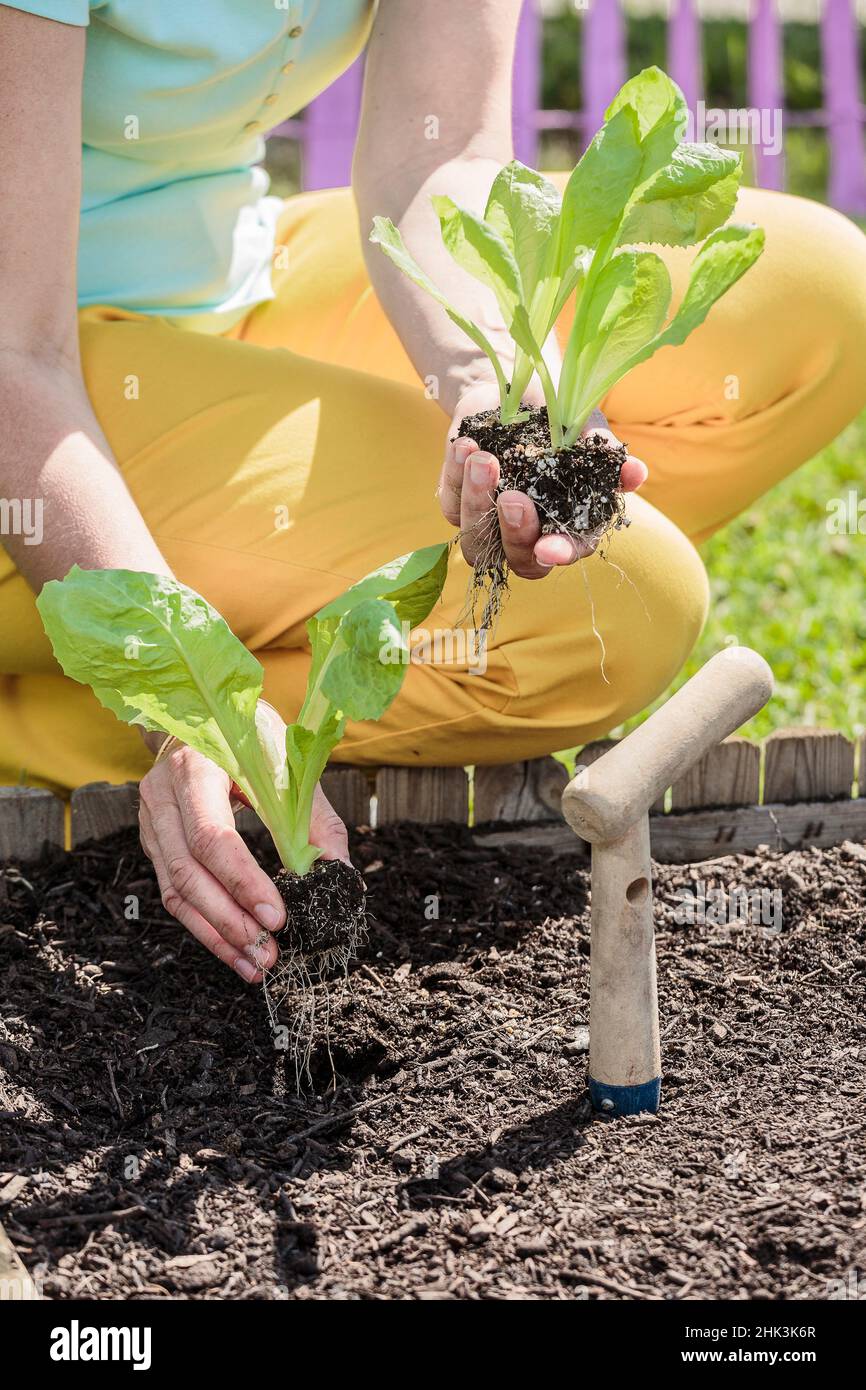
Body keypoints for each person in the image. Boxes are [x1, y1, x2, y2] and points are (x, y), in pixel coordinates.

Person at [1, 0, 865, 984]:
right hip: (28, 392)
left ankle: (170, 644)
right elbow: (12, 353)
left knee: (814, 304)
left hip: (217, 292)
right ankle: (128, 718)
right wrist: (182, 702)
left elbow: (443, 150)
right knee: (621, 611)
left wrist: (493, 396)